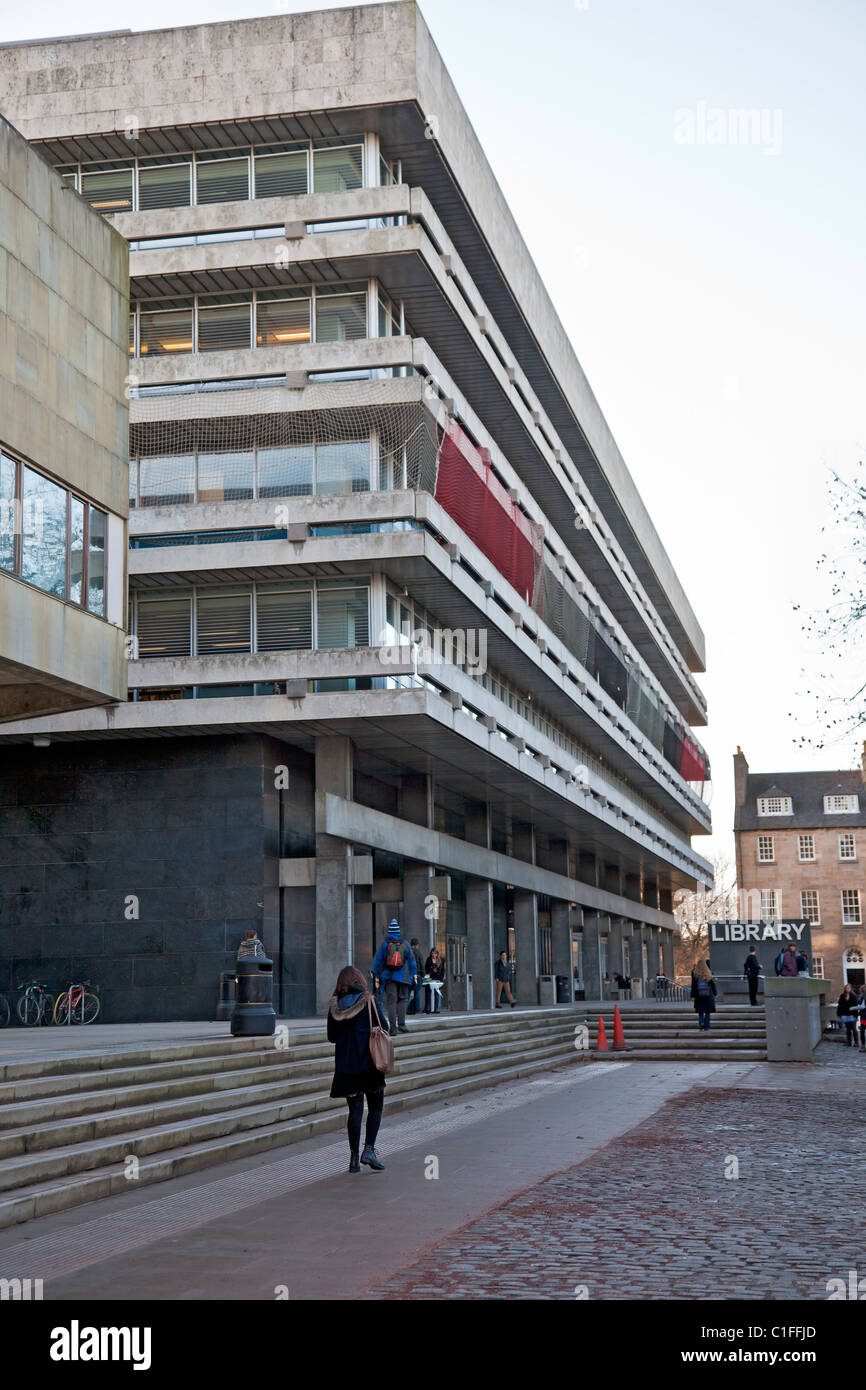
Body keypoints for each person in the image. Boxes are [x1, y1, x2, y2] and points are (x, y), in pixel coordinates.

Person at [327, 965, 387, 1173]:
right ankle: (368, 1149)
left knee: (355, 1110)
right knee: (376, 1107)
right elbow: (385, 1025)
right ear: (359, 980)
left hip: (346, 1067)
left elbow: (331, 1037)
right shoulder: (369, 1001)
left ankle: (353, 1159)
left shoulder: (335, 1006)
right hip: (371, 1064)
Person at [372, 919, 418, 1035]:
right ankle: (402, 1024)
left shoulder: (385, 944)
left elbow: (378, 961)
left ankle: (393, 1028)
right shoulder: (405, 943)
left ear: (389, 931)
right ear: (398, 931)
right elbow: (412, 962)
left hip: (389, 977)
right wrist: (413, 974)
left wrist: (376, 974)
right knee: (403, 1000)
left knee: (391, 1002)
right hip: (404, 977)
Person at [691, 962, 717, 1030]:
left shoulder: (695, 975)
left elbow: (693, 986)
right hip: (708, 996)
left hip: (699, 996)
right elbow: (713, 985)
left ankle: (701, 1023)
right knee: (707, 1012)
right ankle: (707, 1026)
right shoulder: (708, 974)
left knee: (701, 1011)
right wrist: (715, 994)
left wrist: (692, 995)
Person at [837, 983, 859, 1048]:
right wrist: (839, 1014)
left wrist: (856, 1016)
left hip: (852, 1015)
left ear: (851, 989)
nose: (847, 989)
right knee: (848, 1029)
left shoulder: (854, 996)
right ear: (845, 989)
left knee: (854, 1029)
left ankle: (856, 1042)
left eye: (849, 988)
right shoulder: (842, 996)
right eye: (846, 988)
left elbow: (856, 1007)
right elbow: (839, 1006)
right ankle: (849, 1042)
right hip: (845, 1015)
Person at [423, 947, 445, 1013]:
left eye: (435, 953)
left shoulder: (441, 960)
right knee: (428, 993)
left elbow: (442, 970)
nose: (433, 955)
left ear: (437, 954)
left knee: (437, 993)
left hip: (437, 978)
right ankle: (428, 1009)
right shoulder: (429, 959)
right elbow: (426, 969)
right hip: (430, 978)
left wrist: (441, 979)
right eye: (432, 953)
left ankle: (436, 1008)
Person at [407, 938, 424, 1015]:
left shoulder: (407, 951)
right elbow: (421, 963)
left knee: (407, 992)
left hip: (409, 975)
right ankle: (417, 1010)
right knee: (417, 993)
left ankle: (405, 1009)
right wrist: (423, 974)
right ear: (417, 945)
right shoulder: (418, 952)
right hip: (417, 974)